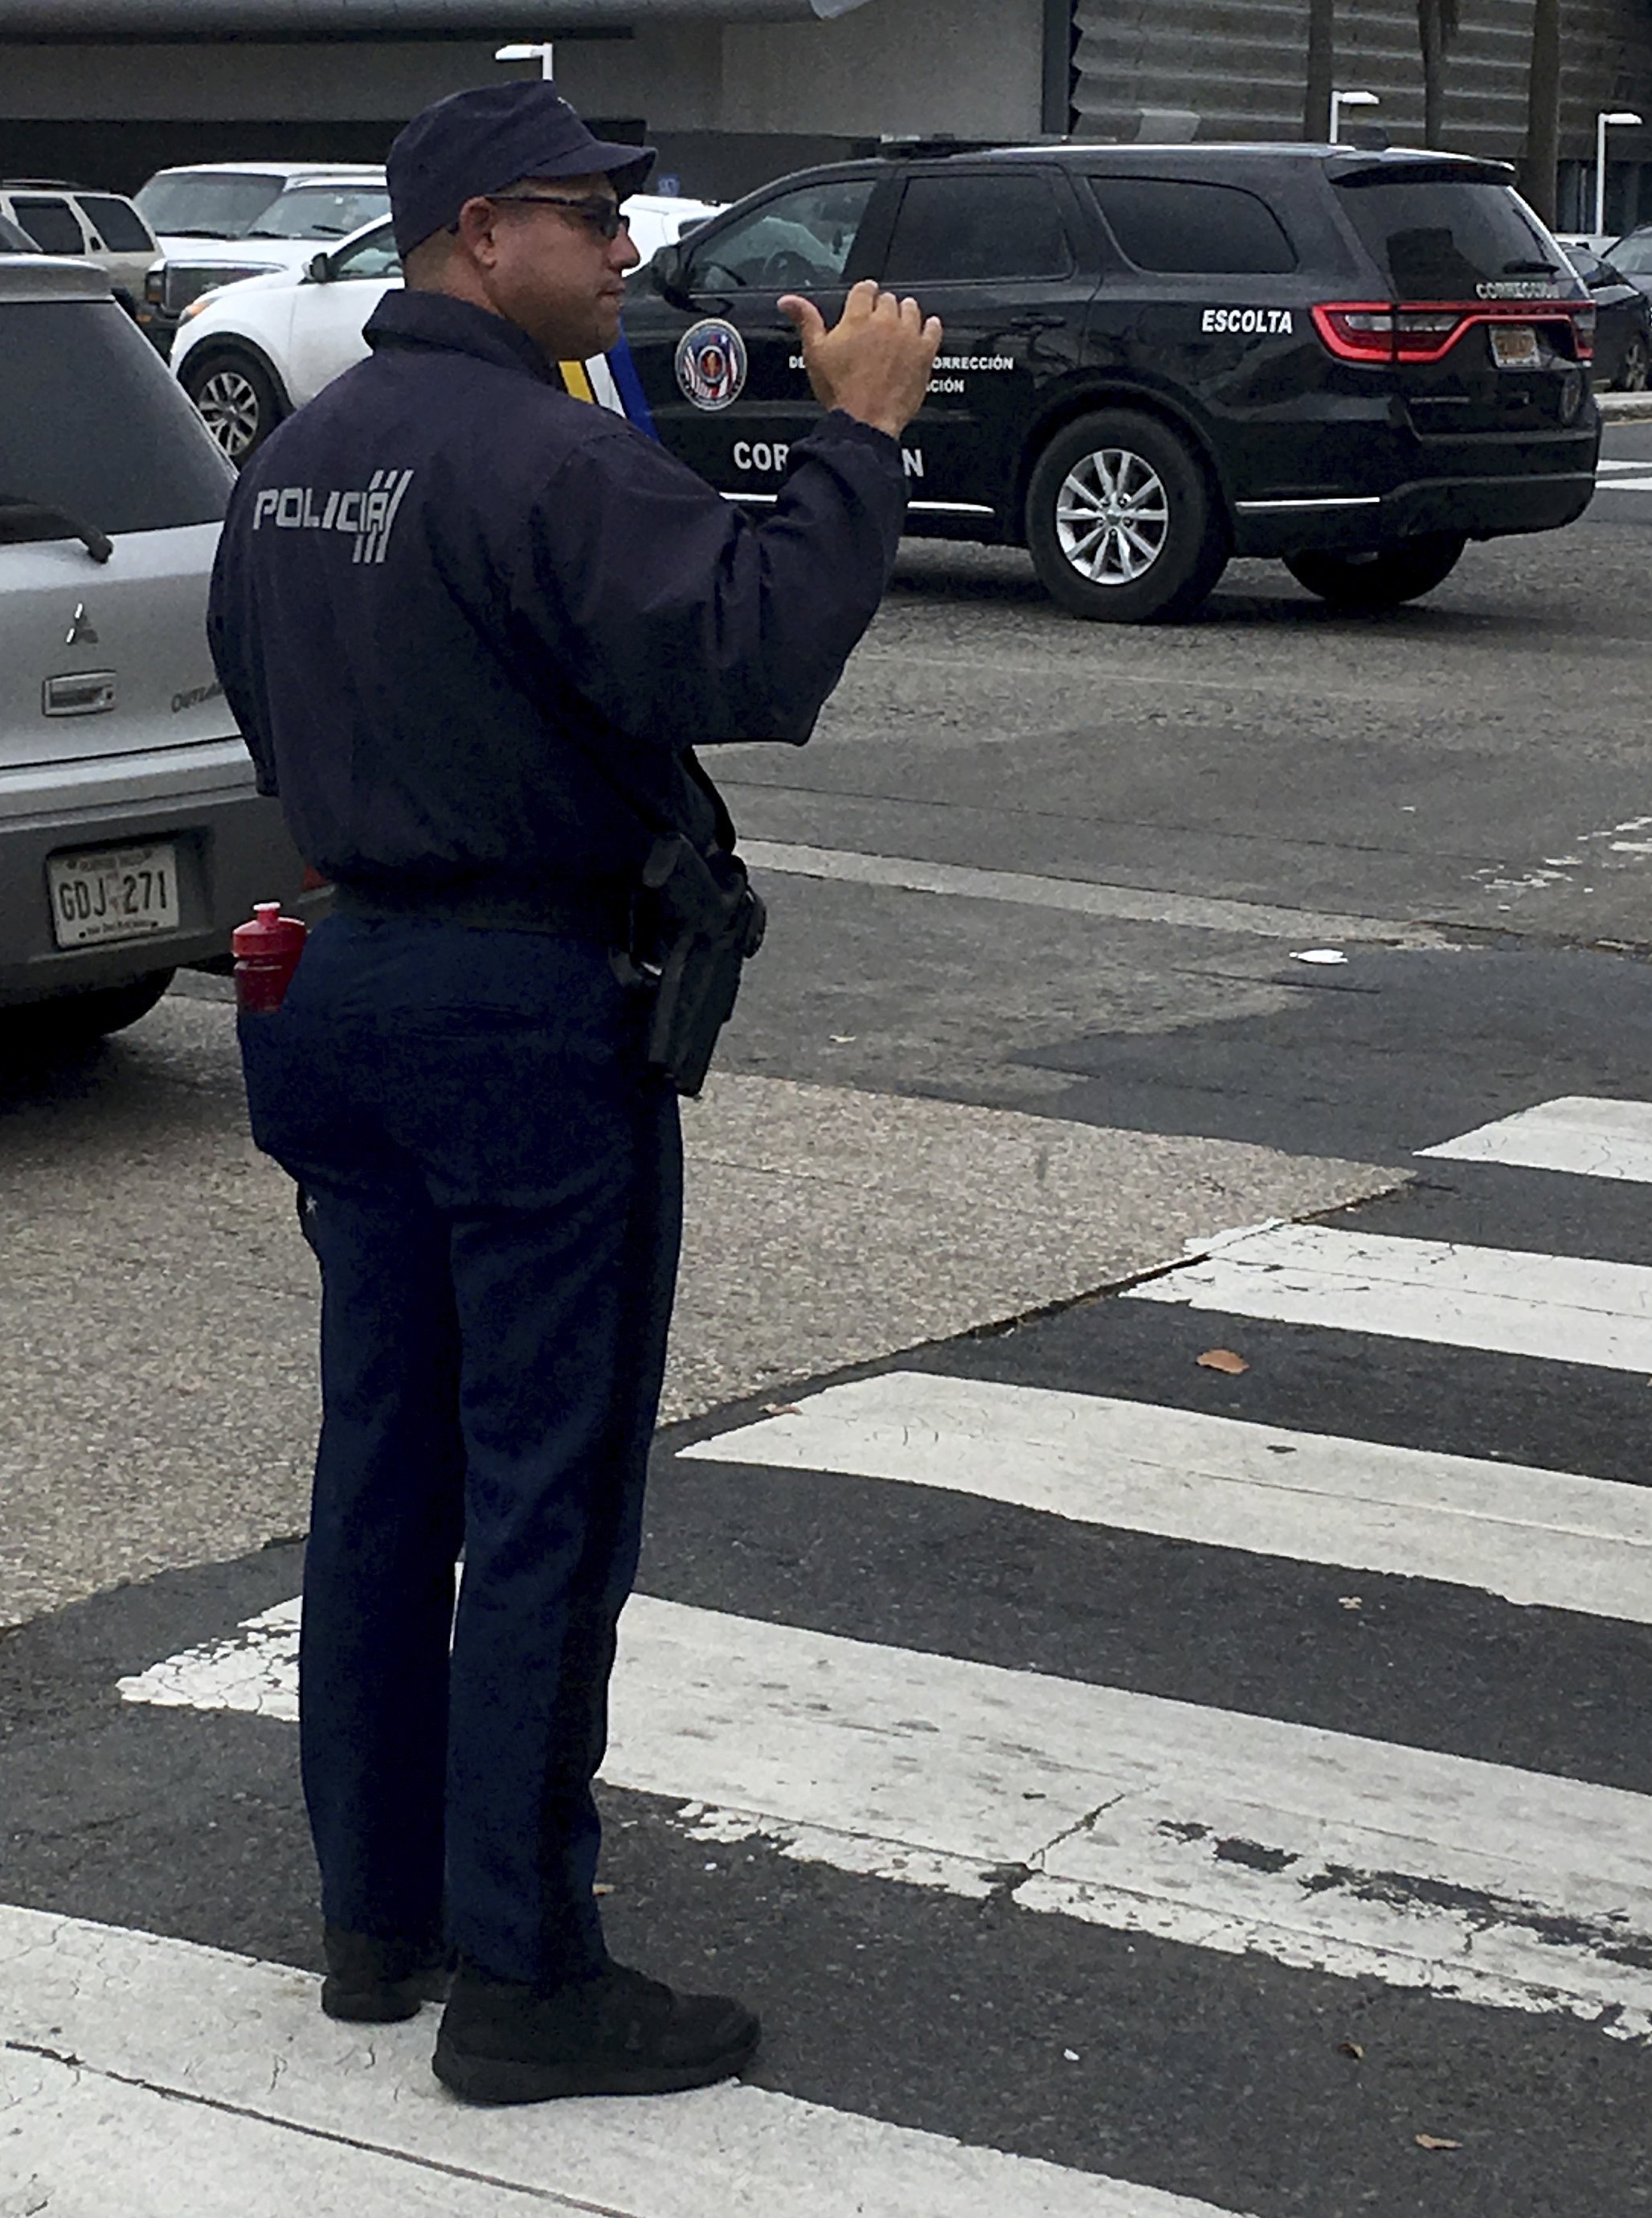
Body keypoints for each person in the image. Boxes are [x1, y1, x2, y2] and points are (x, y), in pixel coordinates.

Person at [206, 78, 939, 2110]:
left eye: (621, 215)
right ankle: (525, 1974)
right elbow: (749, 650)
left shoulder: (308, 456)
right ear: (470, 239)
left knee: (386, 1463)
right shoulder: (537, 444)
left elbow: (262, 696)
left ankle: (381, 1920)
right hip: (522, 1000)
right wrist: (856, 437)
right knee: (542, 1491)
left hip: (347, 981)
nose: (622, 247)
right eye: (582, 217)